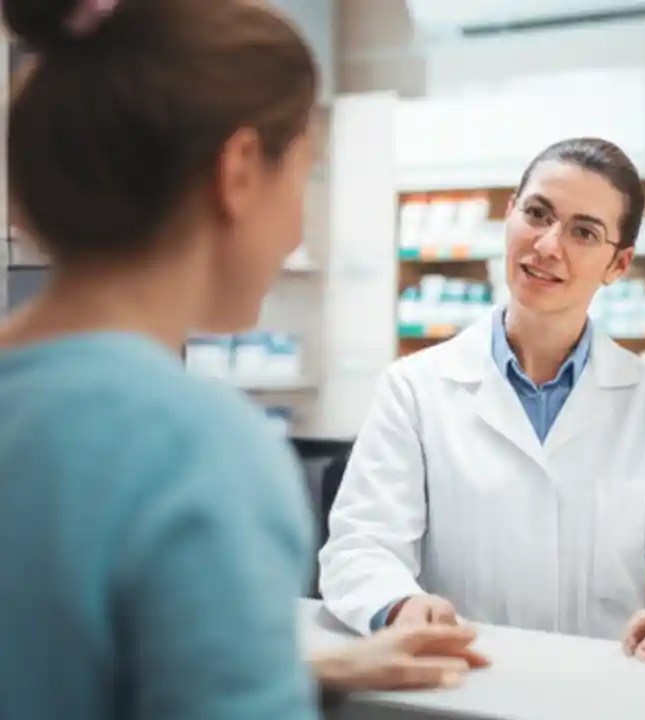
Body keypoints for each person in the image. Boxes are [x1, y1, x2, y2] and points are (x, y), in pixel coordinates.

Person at [0, 1, 485, 718]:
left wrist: (292, 667)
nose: (297, 224)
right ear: (239, 171)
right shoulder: (198, 452)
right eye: (304, 175)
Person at [319, 138, 645, 661]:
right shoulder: (413, 388)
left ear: (618, 265)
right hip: (459, 685)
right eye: (537, 213)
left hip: (601, 691)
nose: (548, 245)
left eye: (584, 232)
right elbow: (361, 546)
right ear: (508, 216)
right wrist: (399, 604)